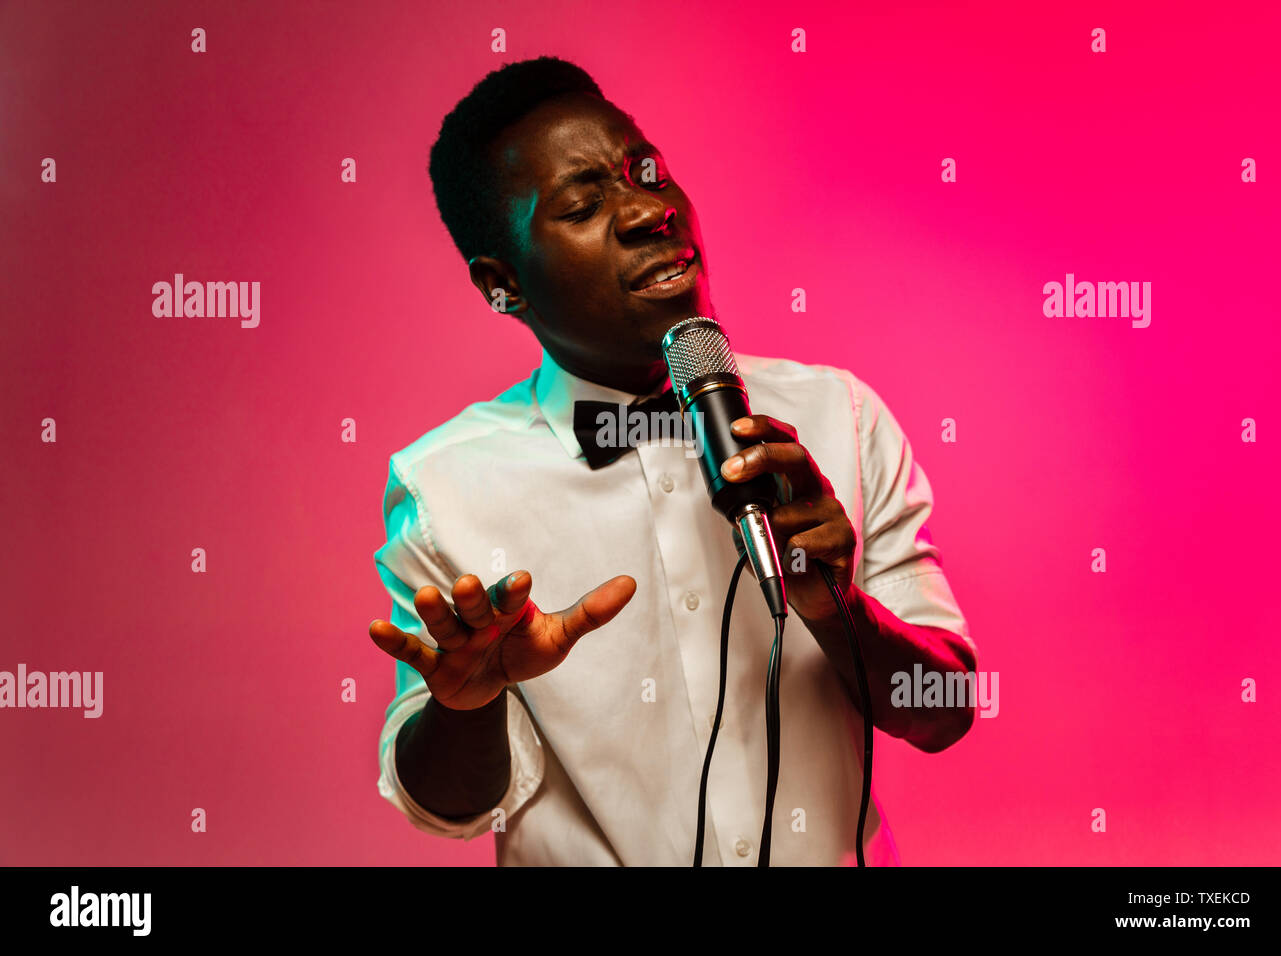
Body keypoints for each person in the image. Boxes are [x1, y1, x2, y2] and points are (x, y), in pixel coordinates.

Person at [367, 56, 979, 866]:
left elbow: (944, 711)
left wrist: (834, 604)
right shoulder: (445, 484)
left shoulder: (840, 414)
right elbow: (450, 808)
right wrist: (466, 705)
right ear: (502, 284)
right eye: (585, 205)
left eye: (645, 173)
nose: (648, 211)